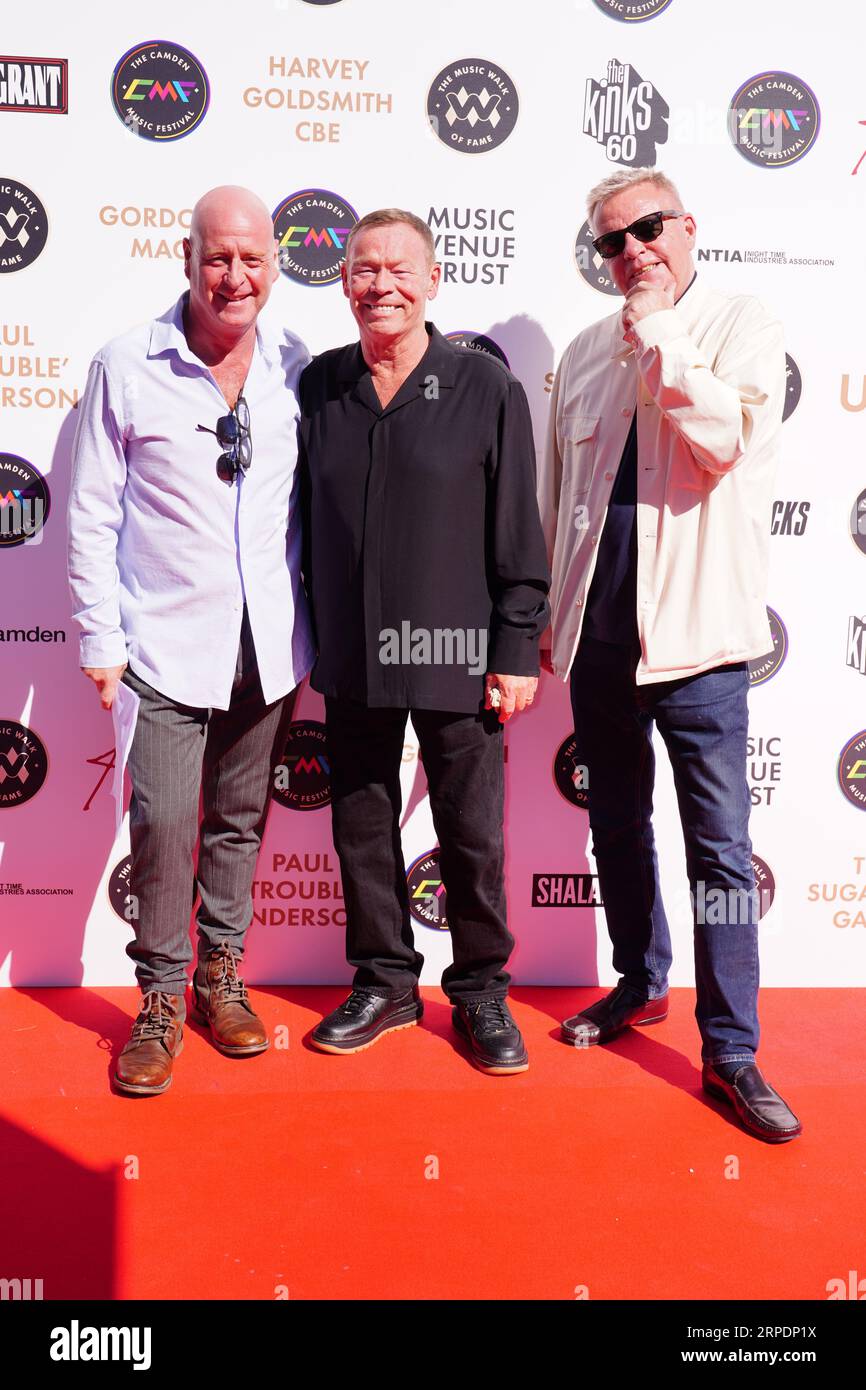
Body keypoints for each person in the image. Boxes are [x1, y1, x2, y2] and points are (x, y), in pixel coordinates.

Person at [538, 167, 801, 1141]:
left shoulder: (738, 324)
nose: (630, 250)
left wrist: (658, 330)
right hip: (599, 641)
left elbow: (718, 443)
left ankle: (730, 1049)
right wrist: (546, 619)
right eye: (610, 241)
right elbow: (556, 494)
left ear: (686, 227)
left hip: (698, 646)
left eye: (645, 228)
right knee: (613, 822)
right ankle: (637, 982)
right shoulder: (577, 350)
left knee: (719, 851)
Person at [68, 186, 314, 1096]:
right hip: (164, 643)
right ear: (186, 258)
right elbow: (90, 510)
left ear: (277, 264)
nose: (235, 275)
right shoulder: (126, 364)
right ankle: (161, 1000)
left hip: (273, 642)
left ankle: (221, 977)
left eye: (253, 258)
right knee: (166, 825)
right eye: (219, 256)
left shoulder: (297, 363)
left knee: (239, 824)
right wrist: (101, 635)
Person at [298, 208, 549, 1074]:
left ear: (434, 280)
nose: (382, 286)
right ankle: (386, 982)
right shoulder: (320, 387)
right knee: (362, 827)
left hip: (458, 656)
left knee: (471, 836)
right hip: (355, 656)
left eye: (400, 269)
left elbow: (519, 535)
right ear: (344, 284)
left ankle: (480, 991)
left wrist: (517, 649)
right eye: (364, 270)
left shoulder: (485, 389)